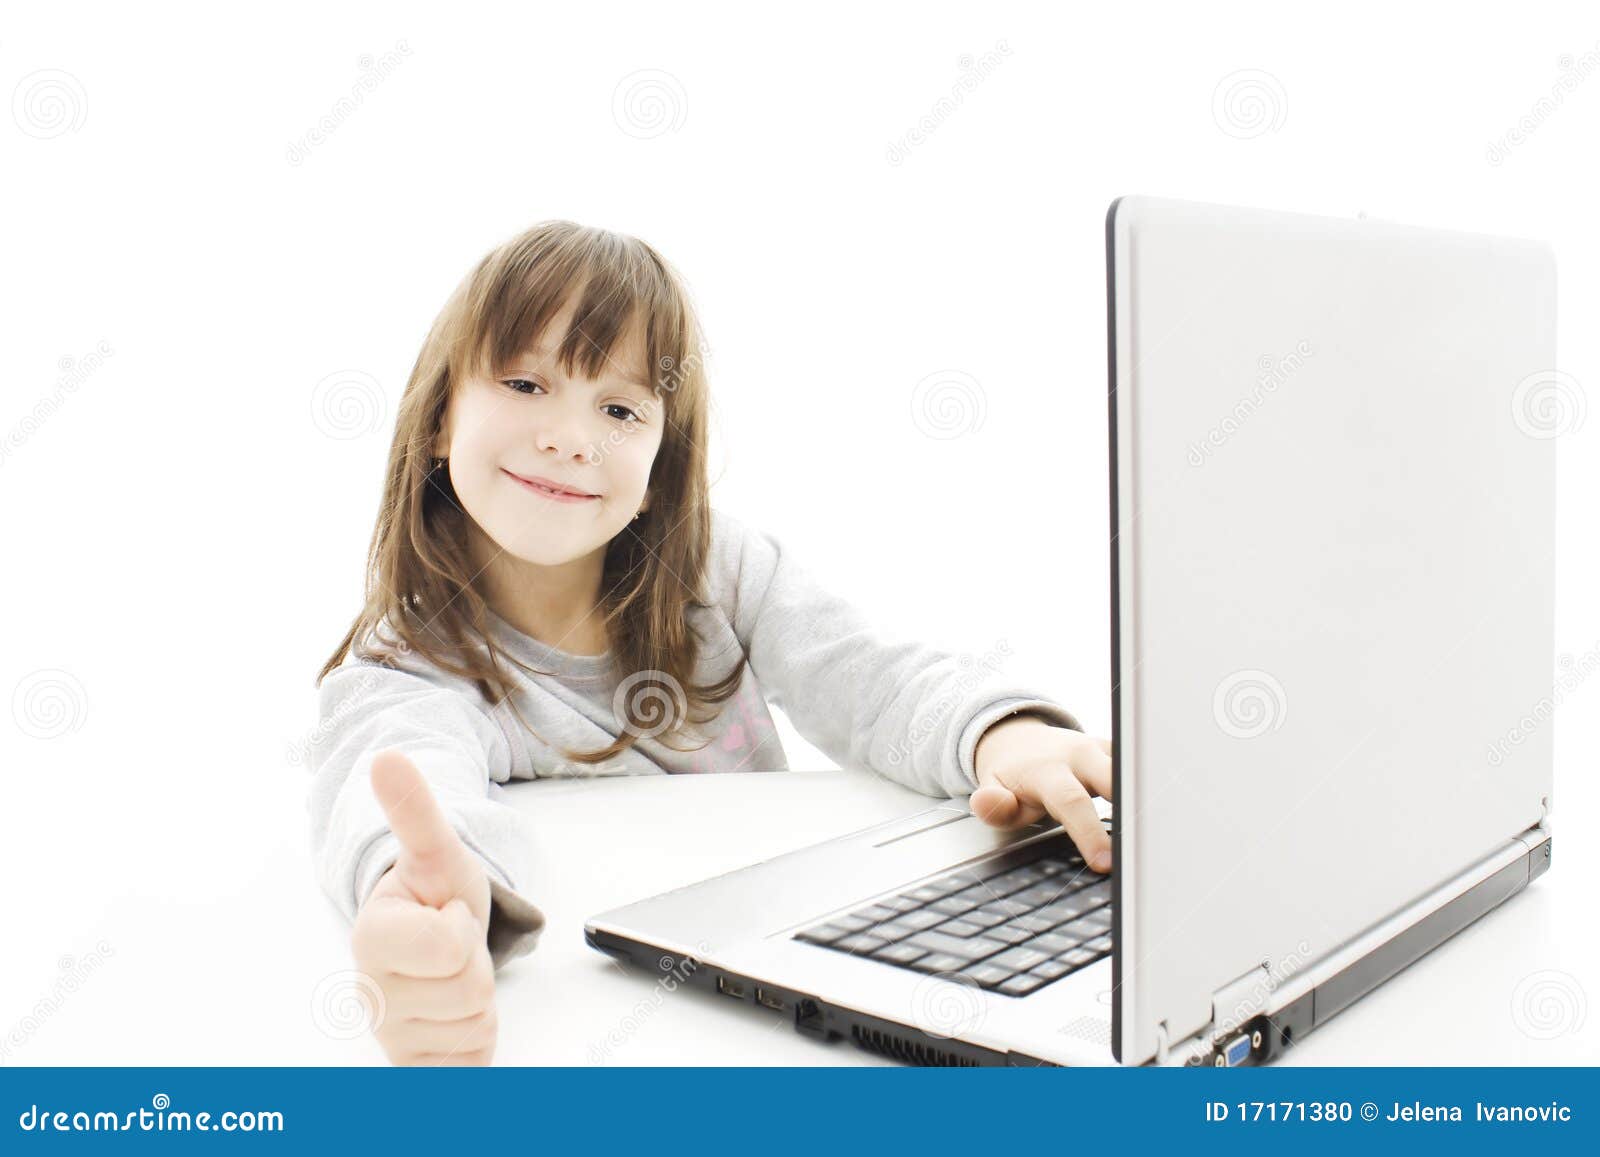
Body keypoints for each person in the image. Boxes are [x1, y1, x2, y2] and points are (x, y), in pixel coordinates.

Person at [307, 221, 1112, 1066]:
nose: (574, 437)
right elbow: (401, 785)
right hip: (601, 1029)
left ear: (659, 464)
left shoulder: (716, 568)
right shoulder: (408, 663)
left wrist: (1001, 733)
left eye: (619, 408)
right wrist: (427, 898)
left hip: (777, 1001)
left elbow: (873, 683)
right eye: (525, 381)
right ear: (438, 417)